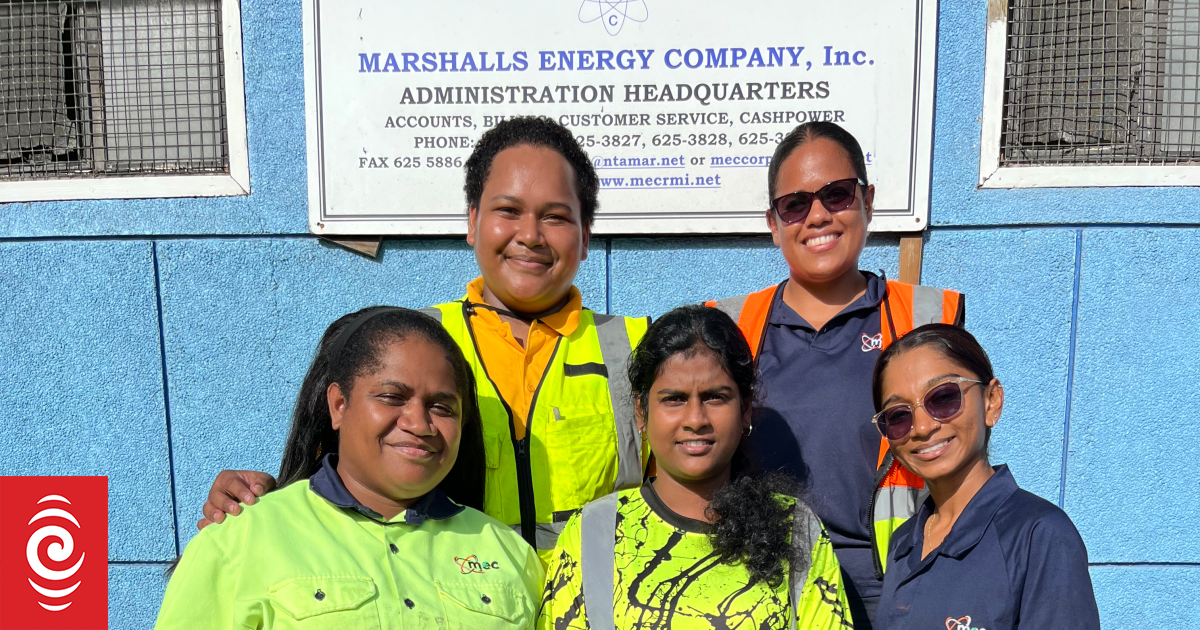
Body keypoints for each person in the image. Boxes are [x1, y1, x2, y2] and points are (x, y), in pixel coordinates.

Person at [196, 117, 650, 562]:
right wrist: (262, 499)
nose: (529, 235)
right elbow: (332, 490)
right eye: (508, 211)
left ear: (586, 236)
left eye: (555, 217)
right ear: (473, 222)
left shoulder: (640, 349)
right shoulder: (411, 347)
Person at [706, 121, 964, 628]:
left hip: (893, 589)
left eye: (837, 194)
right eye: (795, 204)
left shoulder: (925, 318)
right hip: (761, 587)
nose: (818, 215)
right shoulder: (730, 327)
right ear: (773, 221)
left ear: (867, 199)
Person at [155, 307, 543, 629]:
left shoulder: (510, 553)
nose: (419, 423)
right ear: (339, 405)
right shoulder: (239, 539)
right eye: (392, 397)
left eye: (442, 407)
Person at [538, 306, 853, 630]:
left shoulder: (795, 529)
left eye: (715, 397)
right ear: (641, 412)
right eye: (674, 399)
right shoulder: (593, 530)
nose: (695, 420)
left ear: (745, 409)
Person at [871, 324, 1099, 630]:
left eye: (942, 398)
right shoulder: (903, 543)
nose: (922, 428)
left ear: (991, 400)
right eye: (898, 415)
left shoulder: (1039, 535)